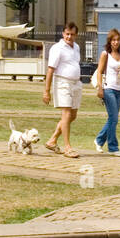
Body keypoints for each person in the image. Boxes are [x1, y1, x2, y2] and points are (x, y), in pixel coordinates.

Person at [43, 22, 82, 157]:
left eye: (72, 34)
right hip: (62, 82)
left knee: (73, 116)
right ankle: (67, 147)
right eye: (67, 34)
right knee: (65, 114)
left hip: (76, 83)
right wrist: (46, 91)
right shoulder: (57, 48)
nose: (69, 37)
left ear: (76, 35)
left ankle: (52, 140)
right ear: (63, 33)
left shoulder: (76, 47)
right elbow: (50, 70)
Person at [94, 28, 120, 156]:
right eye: (113, 40)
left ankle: (99, 140)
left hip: (118, 90)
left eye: (118, 40)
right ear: (110, 41)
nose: (116, 42)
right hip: (108, 89)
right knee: (114, 118)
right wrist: (100, 88)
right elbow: (99, 71)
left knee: (112, 119)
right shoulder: (105, 54)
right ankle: (113, 147)